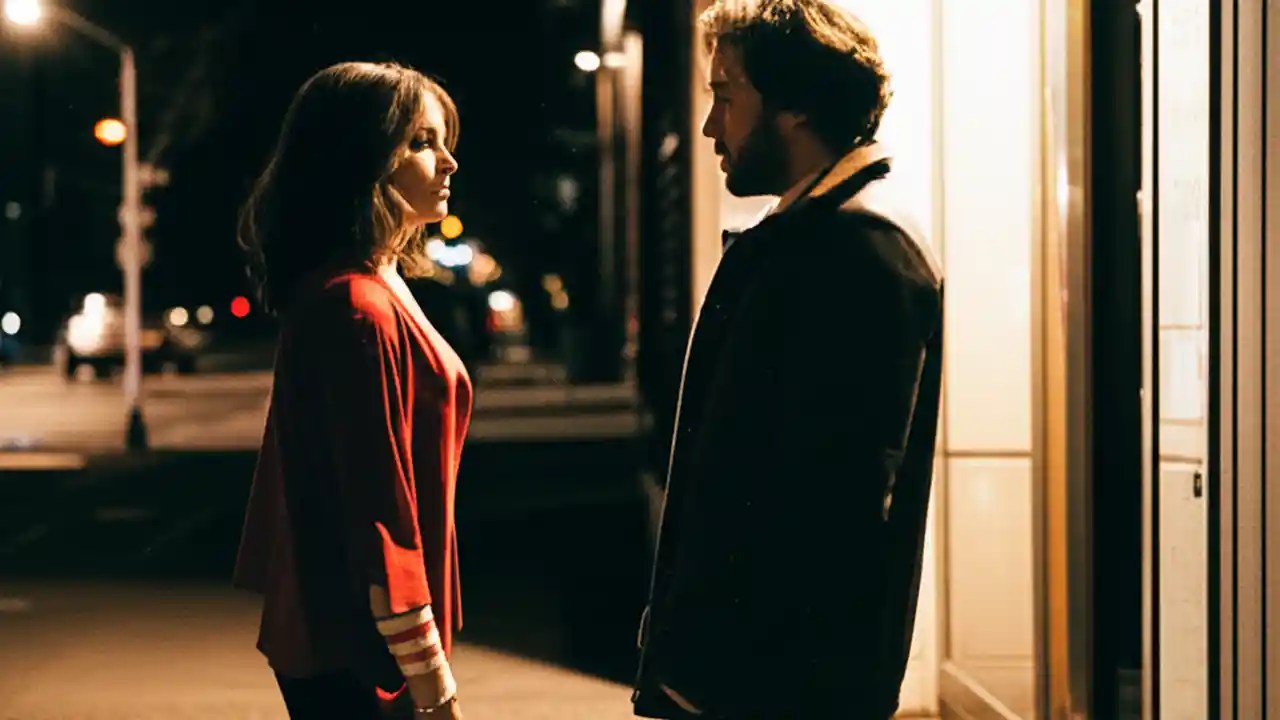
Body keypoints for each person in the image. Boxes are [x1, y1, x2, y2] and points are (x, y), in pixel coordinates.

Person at [633, 2, 944, 718]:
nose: (711, 125)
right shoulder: (815, 233)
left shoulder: (857, 247)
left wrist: (718, 671)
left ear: (796, 105)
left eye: (726, 95)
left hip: (773, 684)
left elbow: (834, 506)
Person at [232, 61, 469, 720]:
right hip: (361, 651)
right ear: (361, 160)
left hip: (360, 637)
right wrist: (431, 680)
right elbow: (377, 509)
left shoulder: (375, 285)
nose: (448, 161)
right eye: (422, 143)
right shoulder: (354, 307)